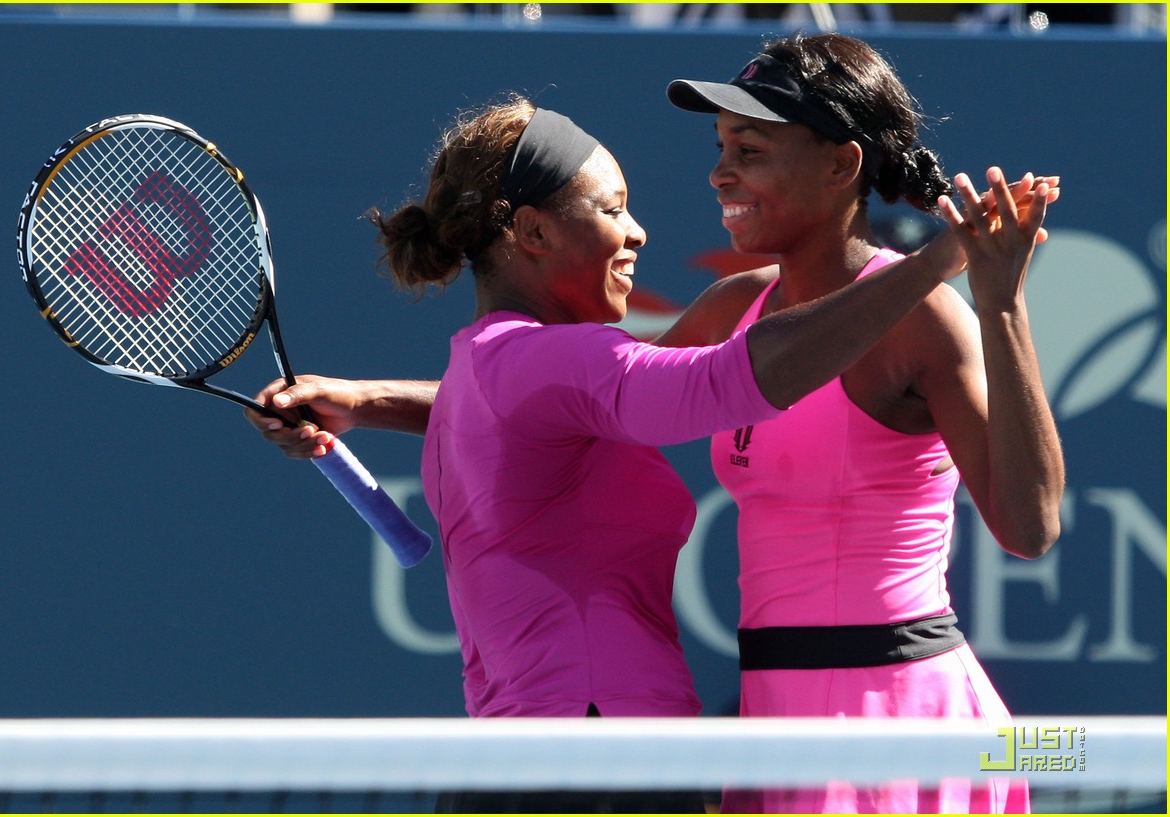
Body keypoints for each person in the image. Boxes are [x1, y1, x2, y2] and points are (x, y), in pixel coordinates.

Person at [246, 94, 1050, 813]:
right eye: (613, 208)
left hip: (522, 761)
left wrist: (365, 400)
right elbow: (729, 378)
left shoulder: (485, 367)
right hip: (602, 761)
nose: (638, 231)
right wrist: (944, 258)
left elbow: (548, 402)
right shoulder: (560, 361)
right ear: (531, 232)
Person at [655, 33, 1064, 813]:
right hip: (771, 713)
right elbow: (586, 402)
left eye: (750, 148)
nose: (720, 172)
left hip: (905, 719)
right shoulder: (730, 308)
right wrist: (366, 403)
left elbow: (1030, 525)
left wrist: (1001, 303)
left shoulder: (925, 321)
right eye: (719, 147)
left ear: (842, 165)